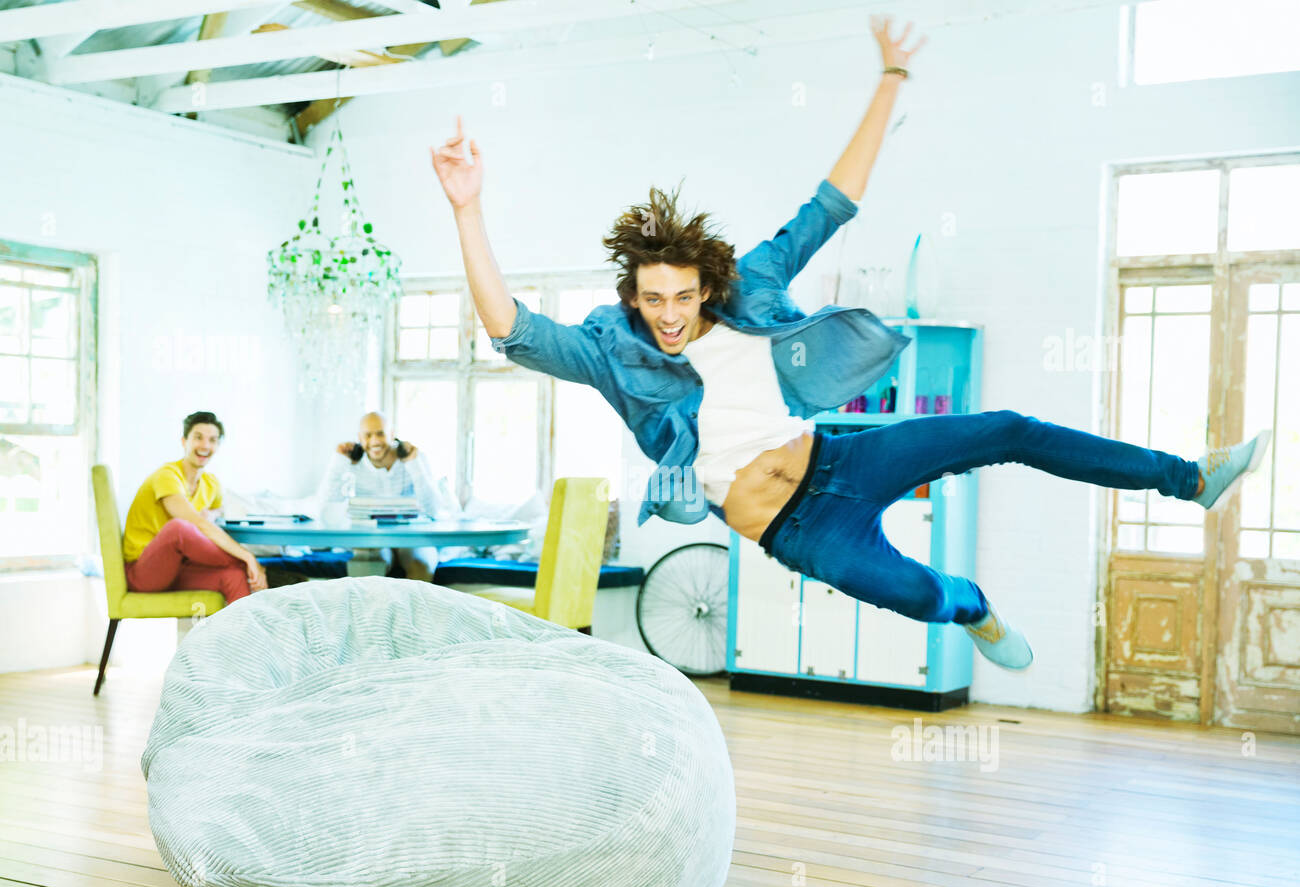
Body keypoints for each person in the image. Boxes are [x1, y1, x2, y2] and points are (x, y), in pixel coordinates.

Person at [431, 15, 1273, 672]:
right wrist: (468, 209)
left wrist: (891, 76)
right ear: (632, 296)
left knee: (1008, 426)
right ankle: (975, 607)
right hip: (799, 531)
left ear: (708, 283)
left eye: (684, 296)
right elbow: (512, 330)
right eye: (653, 300)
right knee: (918, 596)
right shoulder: (612, 352)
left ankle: (1189, 479)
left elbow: (832, 201)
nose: (671, 314)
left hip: (840, 460)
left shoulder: (753, 284)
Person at [121, 411, 267, 604]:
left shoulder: (210, 483)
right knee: (179, 528)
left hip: (179, 570)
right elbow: (198, 524)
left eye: (213, 440)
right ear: (184, 441)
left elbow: (218, 510)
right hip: (144, 572)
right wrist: (248, 558)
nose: (205, 445)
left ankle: (240, 635)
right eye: (198, 437)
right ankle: (260, 566)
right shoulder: (167, 475)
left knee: (233, 575)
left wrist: (213, 513)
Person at [316, 411, 462, 580]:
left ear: (392, 434)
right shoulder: (353, 464)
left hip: (414, 539)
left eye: (380, 433)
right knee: (366, 568)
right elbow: (325, 508)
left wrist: (413, 464)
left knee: (421, 566)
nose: (375, 441)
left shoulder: (415, 459)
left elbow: (433, 509)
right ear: (359, 438)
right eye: (368, 435)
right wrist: (338, 461)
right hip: (373, 540)